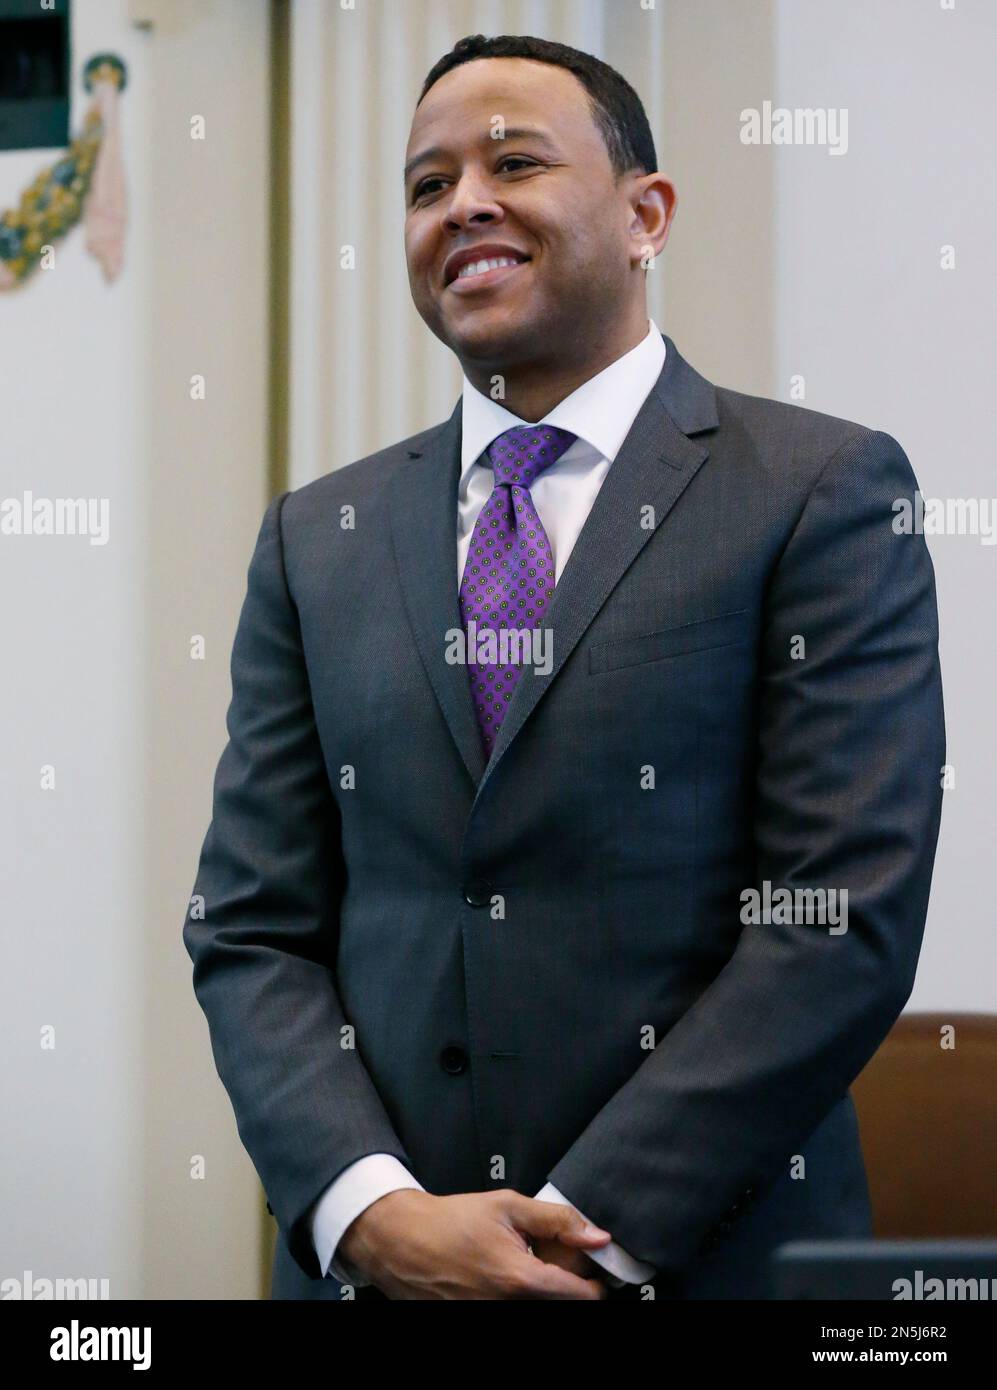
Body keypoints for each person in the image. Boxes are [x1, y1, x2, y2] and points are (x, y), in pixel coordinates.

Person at [183, 33, 945, 1301]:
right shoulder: (318, 536)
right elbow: (253, 926)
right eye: (426, 186)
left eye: (514, 161)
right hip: (376, 1275)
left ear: (646, 213)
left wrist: (582, 1232)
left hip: (704, 1264)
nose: (463, 203)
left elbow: (838, 911)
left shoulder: (819, 490)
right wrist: (372, 1215)